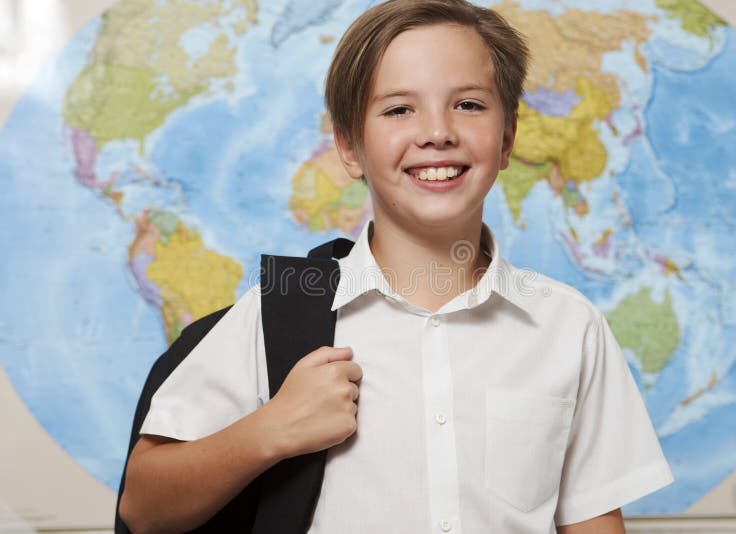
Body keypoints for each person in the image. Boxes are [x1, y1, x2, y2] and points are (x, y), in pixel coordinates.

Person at [119, 0, 674, 532]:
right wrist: (271, 429)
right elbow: (144, 508)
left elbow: (592, 521)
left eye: (469, 105)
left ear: (507, 139)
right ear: (349, 147)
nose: (437, 132)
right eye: (399, 109)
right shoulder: (278, 314)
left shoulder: (568, 327)